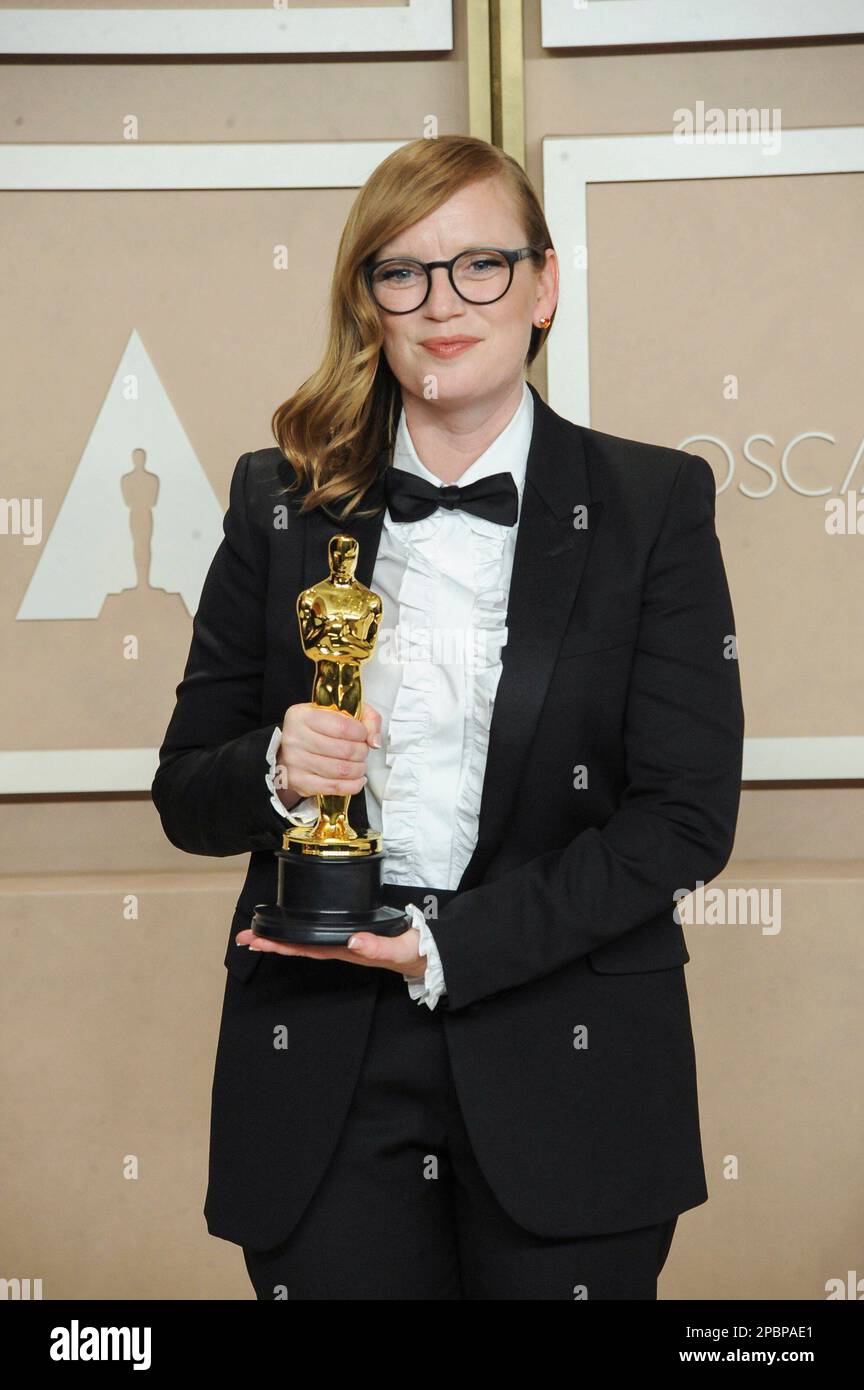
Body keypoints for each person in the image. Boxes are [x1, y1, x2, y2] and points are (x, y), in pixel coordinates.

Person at [151, 134, 744, 1300]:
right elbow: (185, 790)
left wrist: (449, 948)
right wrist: (275, 766)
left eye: (481, 265)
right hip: (322, 1054)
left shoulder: (654, 502)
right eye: (403, 271)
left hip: (567, 1052)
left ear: (544, 284)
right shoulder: (277, 500)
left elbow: (684, 816)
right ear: (368, 300)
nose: (443, 303)